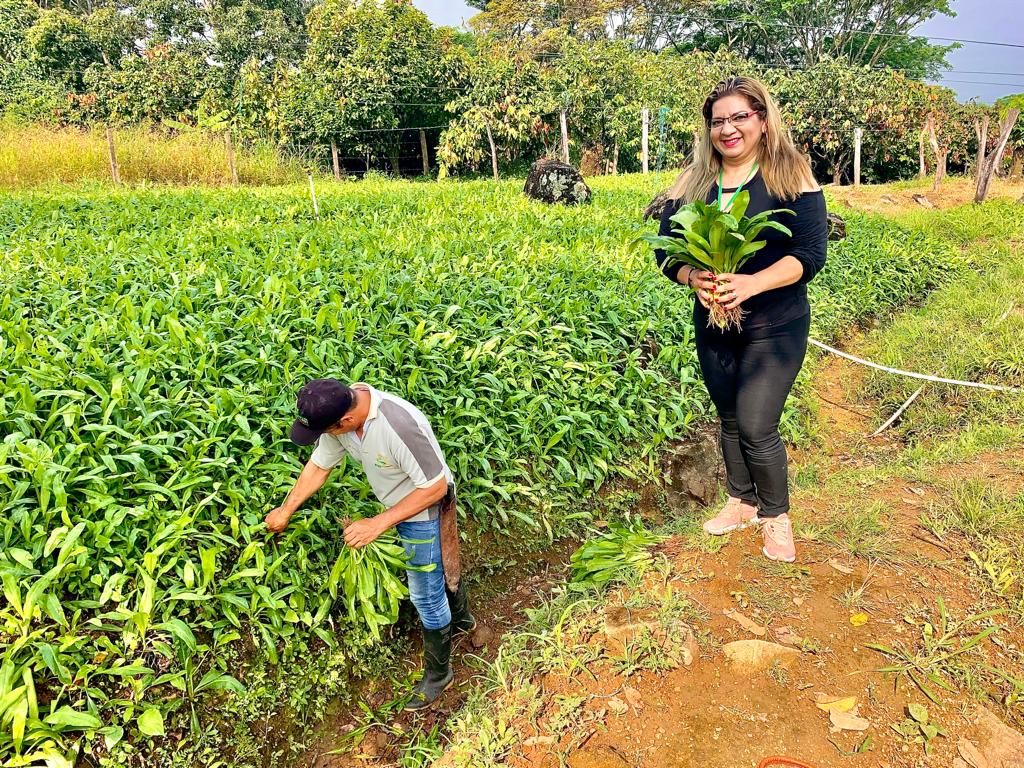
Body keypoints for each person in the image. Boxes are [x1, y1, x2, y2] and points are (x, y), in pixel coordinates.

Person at [653, 76, 828, 563]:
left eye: (739, 118)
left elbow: (810, 255)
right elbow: (666, 255)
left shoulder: (792, 176)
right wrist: (694, 278)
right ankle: (740, 501)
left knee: (756, 423)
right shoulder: (693, 184)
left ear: (763, 121)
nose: (728, 129)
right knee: (729, 416)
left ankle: (776, 517)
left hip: (775, 324)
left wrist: (751, 283)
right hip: (714, 322)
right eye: (718, 121)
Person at [265, 378, 475, 710]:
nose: (326, 438)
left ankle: (439, 673)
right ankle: (462, 621)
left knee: (425, 592)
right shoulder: (344, 419)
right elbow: (320, 465)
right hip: (399, 503)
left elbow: (434, 487)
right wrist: (286, 509)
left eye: (326, 432)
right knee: (437, 575)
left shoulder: (398, 425)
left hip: (426, 507)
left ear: (344, 422)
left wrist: (376, 524)